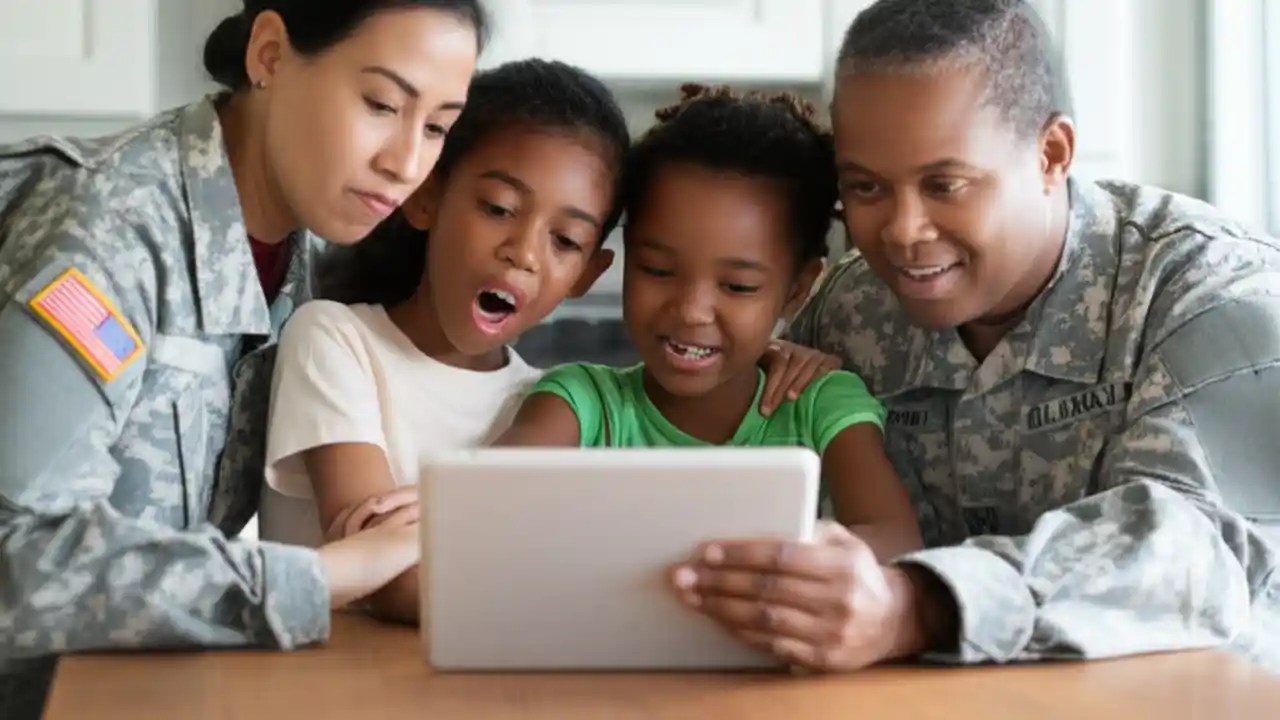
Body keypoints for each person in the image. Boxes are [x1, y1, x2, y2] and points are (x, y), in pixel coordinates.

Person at [671, 0, 1280, 673]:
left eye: (945, 184)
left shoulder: (1214, 290)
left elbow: (1200, 547)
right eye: (867, 188)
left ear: (1052, 153)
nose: (902, 231)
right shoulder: (847, 308)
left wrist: (918, 605)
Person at [0, 2, 485, 717]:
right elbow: (17, 561)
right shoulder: (107, 227)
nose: (406, 162)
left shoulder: (308, 262)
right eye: (382, 103)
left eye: (438, 126)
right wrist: (323, 577)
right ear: (270, 56)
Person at [262, 71, 847, 623]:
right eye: (498, 209)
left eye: (565, 240)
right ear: (426, 197)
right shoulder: (334, 339)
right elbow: (378, 573)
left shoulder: (543, 404)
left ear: (587, 275)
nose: (524, 252)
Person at [496, 84, 923, 562]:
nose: (691, 310)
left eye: (737, 287)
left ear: (799, 289)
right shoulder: (580, 404)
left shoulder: (821, 406)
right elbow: (485, 508)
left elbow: (895, 540)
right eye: (657, 270)